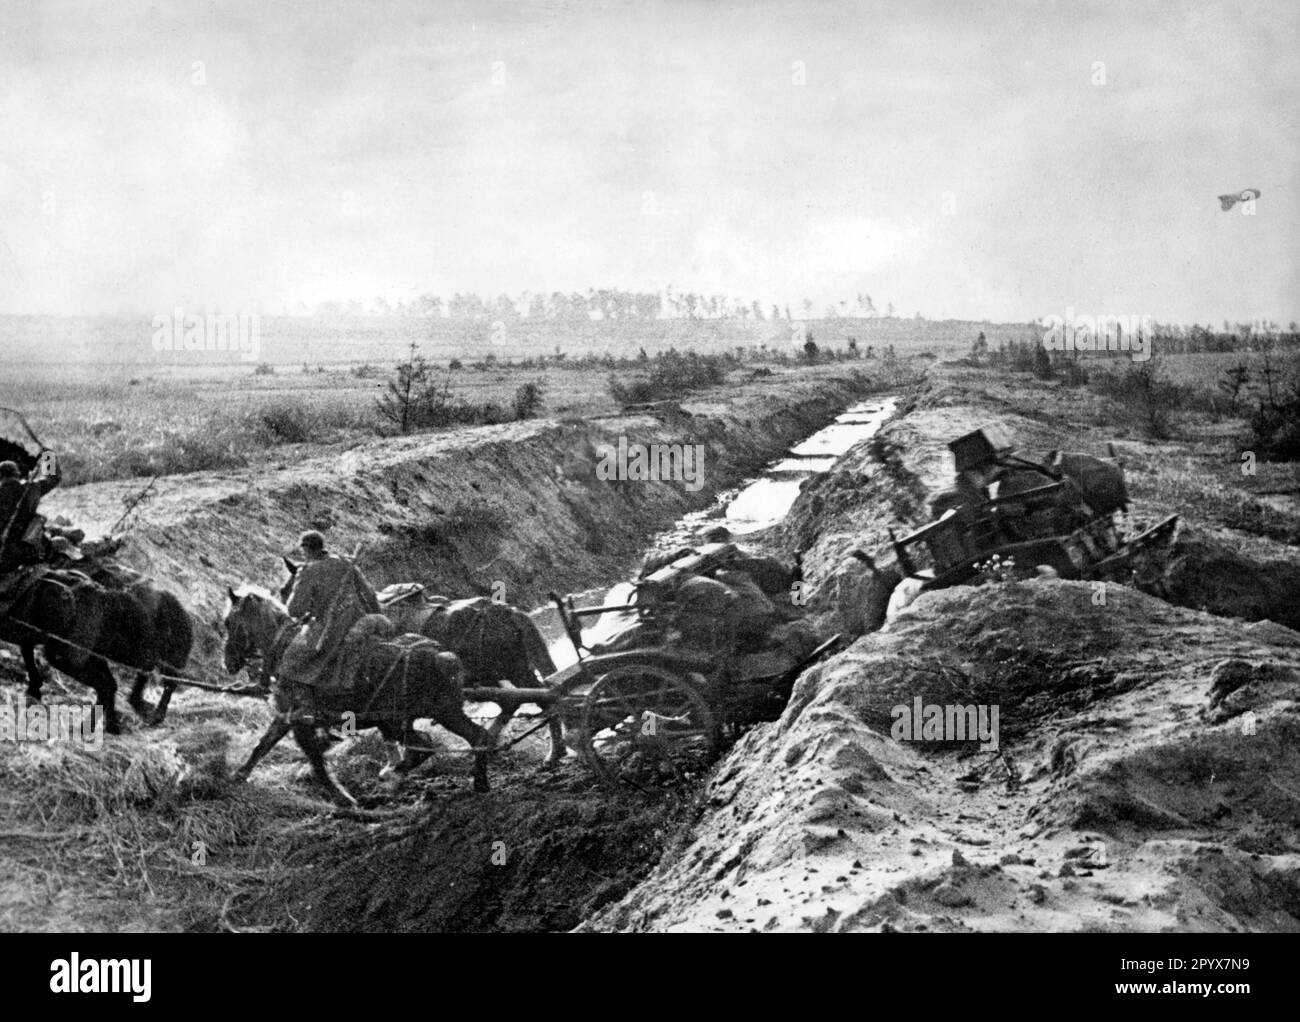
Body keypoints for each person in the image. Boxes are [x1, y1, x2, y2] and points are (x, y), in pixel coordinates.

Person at [278, 531, 381, 694]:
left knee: (291, 658)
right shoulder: (346, 563)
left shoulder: (309, 570)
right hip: (358, 619)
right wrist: (377, 616)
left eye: (303, 551)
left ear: (306, 550)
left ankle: (303, 703)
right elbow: (369, 594)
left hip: (329, 627)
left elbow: (295, 609)